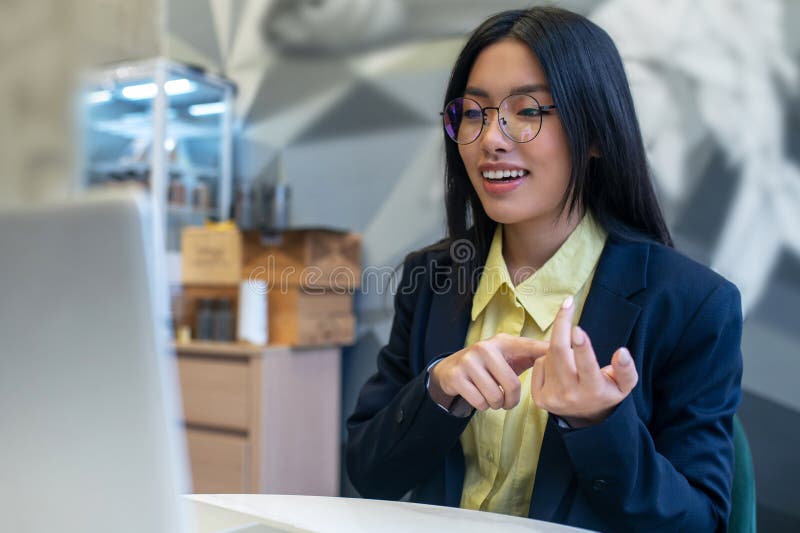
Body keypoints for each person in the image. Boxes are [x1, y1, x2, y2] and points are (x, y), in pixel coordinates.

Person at [345, 6, 743, 532]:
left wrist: (598, 423)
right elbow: (369, 475)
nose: (491, 138)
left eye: (528, 110)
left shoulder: (693, 305)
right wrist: (436, 390)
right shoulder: (432, 277)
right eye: (473, 111)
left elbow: (701, 523)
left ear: (596, 134)